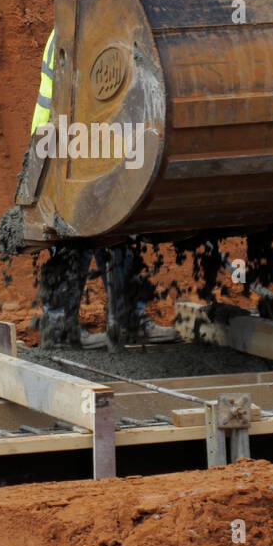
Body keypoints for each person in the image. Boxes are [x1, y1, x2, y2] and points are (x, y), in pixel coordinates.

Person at [28, 28, 176, 349]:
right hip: (69, 142)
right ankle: (71, 328)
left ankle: (114, 324)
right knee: (82, 233)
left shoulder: (87, 18)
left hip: (78, 140)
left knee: (112, 232)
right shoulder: (86, 23)